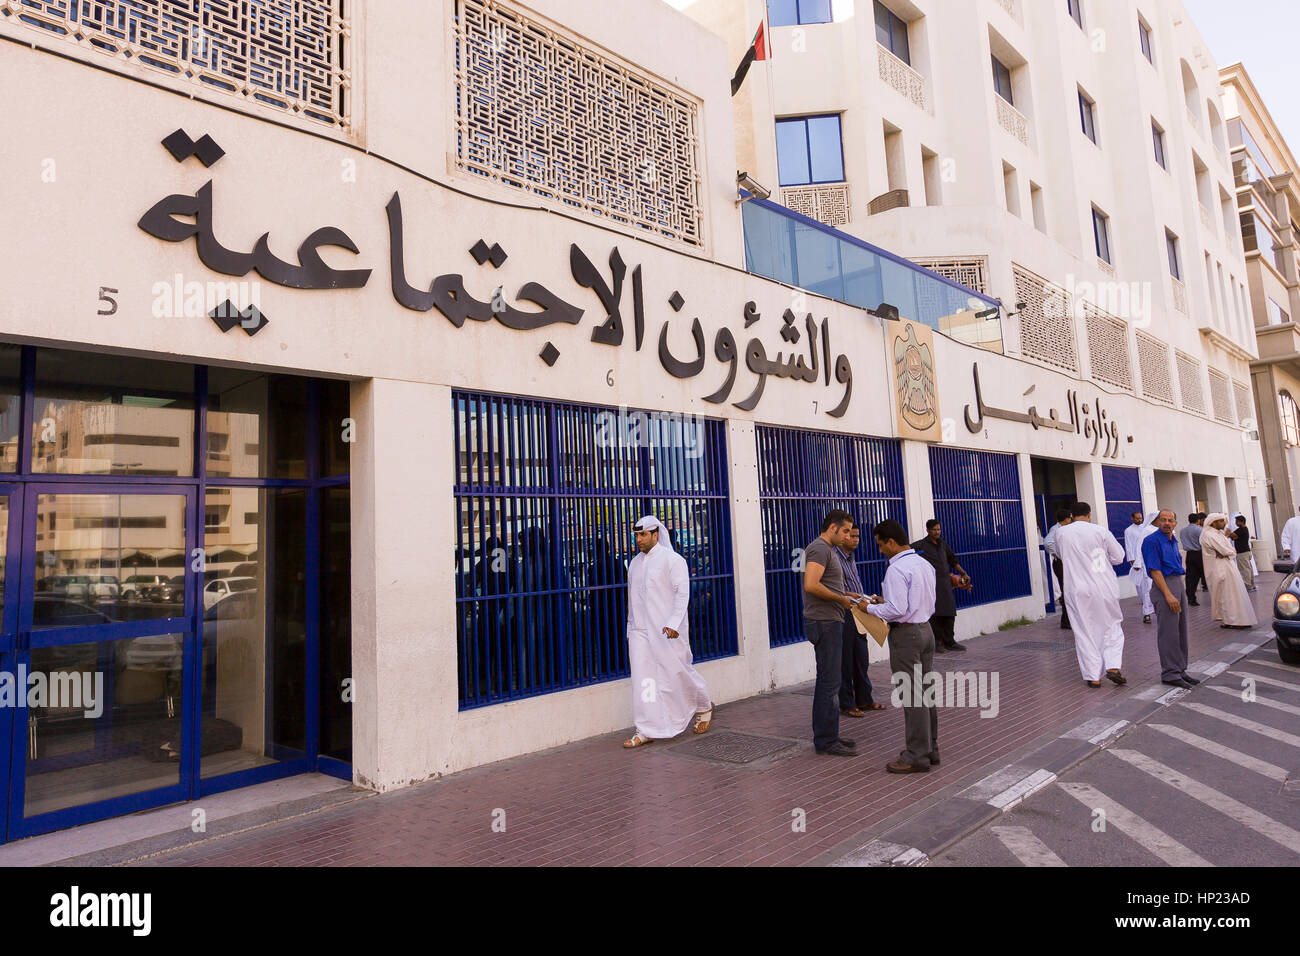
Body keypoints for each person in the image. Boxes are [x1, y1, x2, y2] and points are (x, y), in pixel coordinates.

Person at [621, 515, 714, 748]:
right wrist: (631, 628)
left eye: (643, 535)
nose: (639, 539)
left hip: (667, 631)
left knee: (678, 672)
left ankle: (704, 704)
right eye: (636, 535)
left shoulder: (673, 560)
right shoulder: (634, 563)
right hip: (640, 631)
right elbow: (633, 601)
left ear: (656, 534)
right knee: (644, 680)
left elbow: (682, 595)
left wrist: (673, 623)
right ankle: (647, 728)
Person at [862, 519, 939, 774]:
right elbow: (914, 601)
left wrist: (869, 607)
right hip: (926, 630)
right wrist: (887, 603)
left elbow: (897, 610)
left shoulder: (896, 570)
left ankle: (916, 755)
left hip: (906, 636)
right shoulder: (923, 563)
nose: (880, 549)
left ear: (891, 542)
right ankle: (930, 748)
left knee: (913, 696)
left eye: (881, 544)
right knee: (925, 691)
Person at [802, 509, 860, 757]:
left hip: (830, 619)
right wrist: (840, 599)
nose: (848, 536)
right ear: (833, 528)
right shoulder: (819, 549)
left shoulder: (827, 550)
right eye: (845, 531)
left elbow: (824, 584)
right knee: (829, 682)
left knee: (832, 680)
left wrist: (847, 595)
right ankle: (825, 741)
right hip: (824, 622)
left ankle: (830, 735)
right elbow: (811, 585)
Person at [1055, 502, 1127, 688]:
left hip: (1076, 588)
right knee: (1112, 626)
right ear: (1089, 514)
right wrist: (1102, 558)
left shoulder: (1061, 533)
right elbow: (1119, 557)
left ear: (1071, 515)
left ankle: (1093, 676)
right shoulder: (1101, 531)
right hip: (1104, 587)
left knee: (1083, 631)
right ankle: (1112, 665)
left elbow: (1060, 554)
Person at [1143, 509, 1201, 689]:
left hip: (1177, 584)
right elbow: (1155, 570)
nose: (1167, 523)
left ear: (1175, 523)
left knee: (1180, 631)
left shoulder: (1172, 539)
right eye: (1163, 520)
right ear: (1157, 522)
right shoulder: (1151, 541)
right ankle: (1170, 672)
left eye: (1170, 520)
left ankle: (1180, 669)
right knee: (1168, 633)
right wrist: (1168, 595)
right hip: (1164, 587)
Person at [836, 520, 884, 719]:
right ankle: (846, 703)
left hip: (859, 611)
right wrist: (853, 595)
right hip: (844, 612)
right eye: (850, 535)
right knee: (846, 660)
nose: (855, 539)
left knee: (861, 657)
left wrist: (864, 598)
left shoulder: (850, 557)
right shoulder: (834, 558)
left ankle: (864, 699)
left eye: (856, 536)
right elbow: (834, 588)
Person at [912, 519, 971, 653]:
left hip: (945, 583)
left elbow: (952, 560)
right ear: (928, 530)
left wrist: (963, 573)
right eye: (934, 529)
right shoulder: (921, 545)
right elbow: (908, 553)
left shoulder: (943, 544)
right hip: (932, 584)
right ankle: (937, 643)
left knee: (950, 613)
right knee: (936, 614)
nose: (937, 532)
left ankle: (950, 641)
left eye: (938, 529)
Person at [1201, 513, 1258, 629]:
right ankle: (1232, 620)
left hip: (1227, 565)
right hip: (1219, 567)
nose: (1224, 523)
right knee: (1226, 594)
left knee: (1232, 593)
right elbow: (1226, 550)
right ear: (1213, 522)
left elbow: (1230, 550)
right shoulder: (1209, 534)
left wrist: (1228, 552)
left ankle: (1234, 619)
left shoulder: (1218, 534)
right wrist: (1227, 552)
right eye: (1221, 521)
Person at [1123, 511, 1159, 624]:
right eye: (1137, 518)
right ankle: (1147, 612)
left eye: (1140, 518)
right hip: (1142, 562)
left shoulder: (1150, 529)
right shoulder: (1130, 530)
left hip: (1154, 562)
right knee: (1145, 588)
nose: (1139, 520)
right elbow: (1131, 546)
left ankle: (1154, 611)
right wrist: (1134, 561)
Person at [1043, 508, 1073, 629]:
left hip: (1064, 562)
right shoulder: (1056, 529)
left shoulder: (1061, 528)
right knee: (1066, 590)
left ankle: (1067, 619)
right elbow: (1047, 543)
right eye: (1070, 518)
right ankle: (1066, 621)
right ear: (1066, 519)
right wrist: (1060, 554)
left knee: (1068, 589)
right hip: (1061, 563)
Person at [1178, 513, 1204, 605]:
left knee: (1190, 577)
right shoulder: (1200, 530)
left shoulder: (1183, 531)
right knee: (1204, 574)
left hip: (1189, 555)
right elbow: (1203, 542)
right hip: (1199, 553)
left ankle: (1191, 598)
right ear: (1198, 520)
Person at [1230, 515, 1256, 591]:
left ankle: (1248, 586)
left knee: (1244, 569)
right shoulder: (1244, 529)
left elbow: (1231, 535)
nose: (1235, 523)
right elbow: (1234, 537)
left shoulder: (1241, 529)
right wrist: (1233, 536)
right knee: (1248, 568)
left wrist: (1229, 532)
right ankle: (1251, 585)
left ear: (1241, 522)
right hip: (1246, 551)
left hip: (1242, 553)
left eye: (1237, 521)